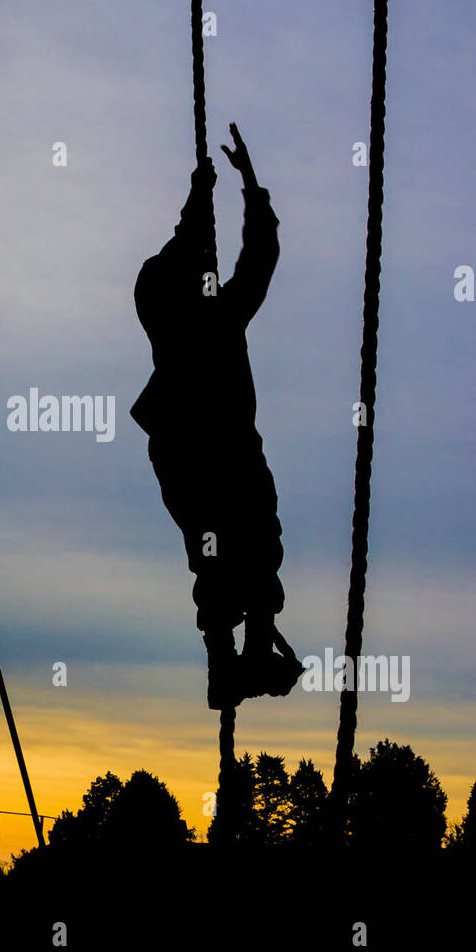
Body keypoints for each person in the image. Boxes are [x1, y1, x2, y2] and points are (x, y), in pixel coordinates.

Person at [131, 123, 303, 710]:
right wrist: (248, 191)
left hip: (182, 452)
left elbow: (193, 248)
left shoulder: (180, 320)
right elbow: (253, 258)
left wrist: (207, 192)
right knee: (252, 535)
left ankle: (228, 662)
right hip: (221, 449)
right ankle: (246, 656)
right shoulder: (217, 319)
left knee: (215, 552)